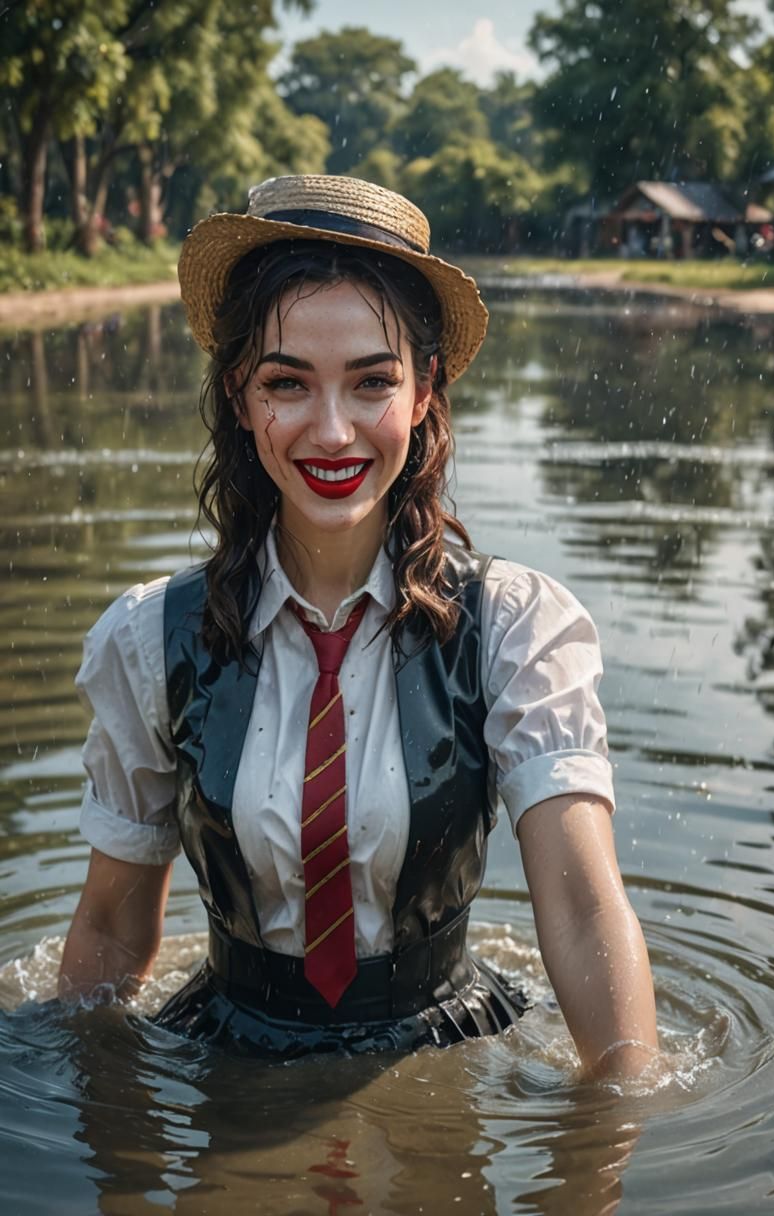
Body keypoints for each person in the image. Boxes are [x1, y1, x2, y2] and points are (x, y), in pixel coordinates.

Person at [58, 175, 658, 1076]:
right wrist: (75, 1130)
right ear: (239, 396)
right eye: (287, 383)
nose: (331, 431)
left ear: (425, 393)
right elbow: (109, 927)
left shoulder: (513, 629)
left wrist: (617, 1129)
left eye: (372, 381)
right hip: (227, 1055)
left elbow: (579, 909)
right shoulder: (152, 638)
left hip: (448, 1047)